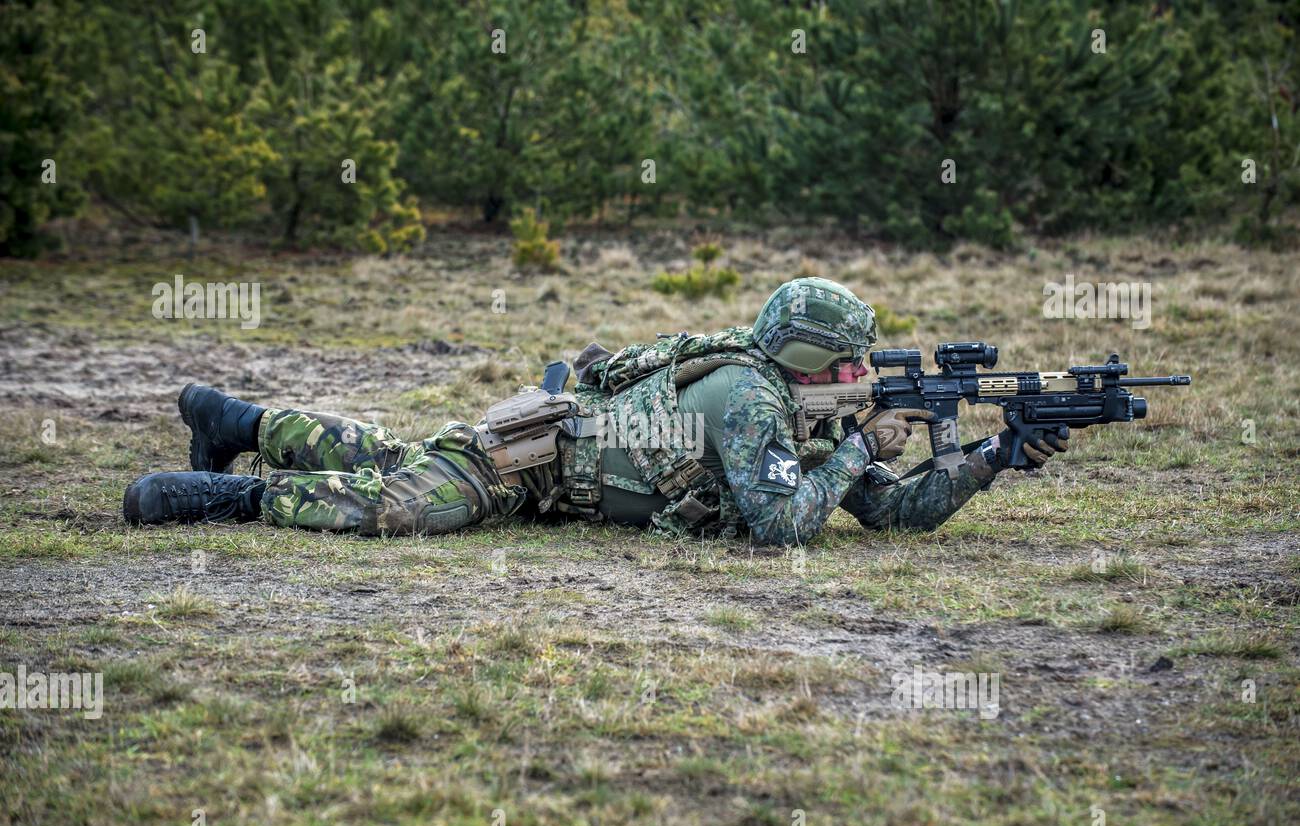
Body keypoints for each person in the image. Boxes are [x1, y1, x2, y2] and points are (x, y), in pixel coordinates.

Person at [123, 277, 1066, 544]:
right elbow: (783, 524)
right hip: (522, 466)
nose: (864, 371)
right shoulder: (749, 396)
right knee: (389, 501)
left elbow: (888, 510)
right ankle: (216, 493)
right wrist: (859, 447)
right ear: (818, 361)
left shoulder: (793, 408)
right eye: (853, 359)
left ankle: (232, 419)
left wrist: (992, 458)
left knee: (392, 450)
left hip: (548, 459)